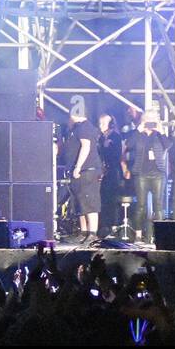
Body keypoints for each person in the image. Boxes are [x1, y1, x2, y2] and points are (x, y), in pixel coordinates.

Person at [123, 107, 170, 241]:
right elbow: (129, 145)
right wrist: (139, 129)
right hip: (141, 174)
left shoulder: (159, 135)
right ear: (143, 121)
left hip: (158, 173)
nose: (150, 124)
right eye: (147, 121)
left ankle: (159, 235)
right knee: (141, 206)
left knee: (158, 206)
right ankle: (138, 235)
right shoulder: (138, 134)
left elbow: (169, 145)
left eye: (152, 121)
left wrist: (161, 131)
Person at [62, 99, 102, 242]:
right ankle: (84, 233)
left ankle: (92, 233)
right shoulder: (77, 129)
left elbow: (86, 147)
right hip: (79, 171)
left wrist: (78, 167)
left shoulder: (85, 127)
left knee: (89, 201)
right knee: (79, 202)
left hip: (87, 170)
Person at [96, 113, 126, 236]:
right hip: (102, 171)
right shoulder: (100, 137)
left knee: (111, 199)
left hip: (112, 171)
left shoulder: (115, 136)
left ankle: (113, 225)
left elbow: (117, 155)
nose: (101, 126)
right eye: (100, 123)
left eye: (104, 123)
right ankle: (104, 225)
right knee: (102, 199)